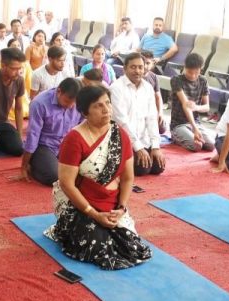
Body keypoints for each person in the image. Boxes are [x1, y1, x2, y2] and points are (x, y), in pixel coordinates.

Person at [44, 85, 152, 270]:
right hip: (79, 203)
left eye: (108, 103)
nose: (106, 110)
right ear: (85, 112)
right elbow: (67, 184)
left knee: (131, 247)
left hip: (112, 203)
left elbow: (127, 178)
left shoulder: (120, 135)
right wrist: (93, 214)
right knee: (97, 247)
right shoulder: (74, 139)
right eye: (98, 106)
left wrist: (122, 207)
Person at [111, 52, 165, 176]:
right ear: (125, 69)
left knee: (158, 167)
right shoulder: (116, 88)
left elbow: (152, 117)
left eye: (140, 67)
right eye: (133, 67)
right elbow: (122, 122)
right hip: (124, 140)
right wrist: (139, 148)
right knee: (142, 168)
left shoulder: (147, 87)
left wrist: (155, 146)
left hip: (143, 138)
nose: (137, 71)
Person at [20, 78, 82, 186]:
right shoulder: (39, 103)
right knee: (55, 177)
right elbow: (33, 135)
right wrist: (23, 166)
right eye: (67, 101)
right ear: (59, 92)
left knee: (90, 172)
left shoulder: (80, 102)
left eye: (74, 103)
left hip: (67, 144)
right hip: (44, 146)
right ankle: (34, 166)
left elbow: (83, 126)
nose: (70, 106)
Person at [170, 53, 215, 152]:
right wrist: (194, 128)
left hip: (196, 123)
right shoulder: (176, 80)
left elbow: (207, 107)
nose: (193, 75)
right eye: (190, 72)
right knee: (197, 146)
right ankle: (175, 135)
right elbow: (186, 105)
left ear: (201, 69)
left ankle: (189, 134)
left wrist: (196, 108)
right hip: (179, 124)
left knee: (211, 145)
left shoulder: (203, 81)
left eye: (197, 72)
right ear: (184, 67)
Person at [7, 39, 33, 123]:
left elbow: (29, 81)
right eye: (13, 46)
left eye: (18, 45)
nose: (16, 47)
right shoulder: (3, 62)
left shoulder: (25, 63)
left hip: (21, 91)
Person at [140, 51, 165, 133]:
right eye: (143, 63)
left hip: (150, 110)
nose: (145, 66)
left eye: (148, 63)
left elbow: (158, 97)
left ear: (152, 64)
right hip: (138, 111)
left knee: (162, 128)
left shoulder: (154, 77)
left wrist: (160, 113)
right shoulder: (135, 76)